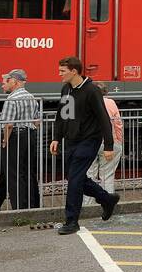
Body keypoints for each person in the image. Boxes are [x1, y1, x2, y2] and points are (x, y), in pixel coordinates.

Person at [49, 56, 119, 234]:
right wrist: (56, 137)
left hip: (89, 141)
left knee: (74, 180)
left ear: (74, 71)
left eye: (62, 71)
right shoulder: (66, 89)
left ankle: (71, 221)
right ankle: (107, 199)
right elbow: (62, 115)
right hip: (71, 141)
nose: (59, 74)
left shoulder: (92, 90)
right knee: (74, 177)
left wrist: (109, 146)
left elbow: (104, 118)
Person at [0, 69, 41, 210]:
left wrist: (4, 141)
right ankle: (33, 205)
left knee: (14, 173)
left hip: (15, 136)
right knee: (29, 172)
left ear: (14, 81)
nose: (3, 85)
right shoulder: (31, 97)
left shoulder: (11, 99)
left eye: (6, 81)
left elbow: (8, 124)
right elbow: (37, 121)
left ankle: (19, 208)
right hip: (30, 135)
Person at [85, 90, 125, 205]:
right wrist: (119, 141)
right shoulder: (110, 102)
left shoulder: (86, 102)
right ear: (105, 92)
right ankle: (107, 204)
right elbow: (118, 123)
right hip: (109, 143)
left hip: (90, 143)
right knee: (107, 176)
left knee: (89, 175)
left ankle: (88, 206)